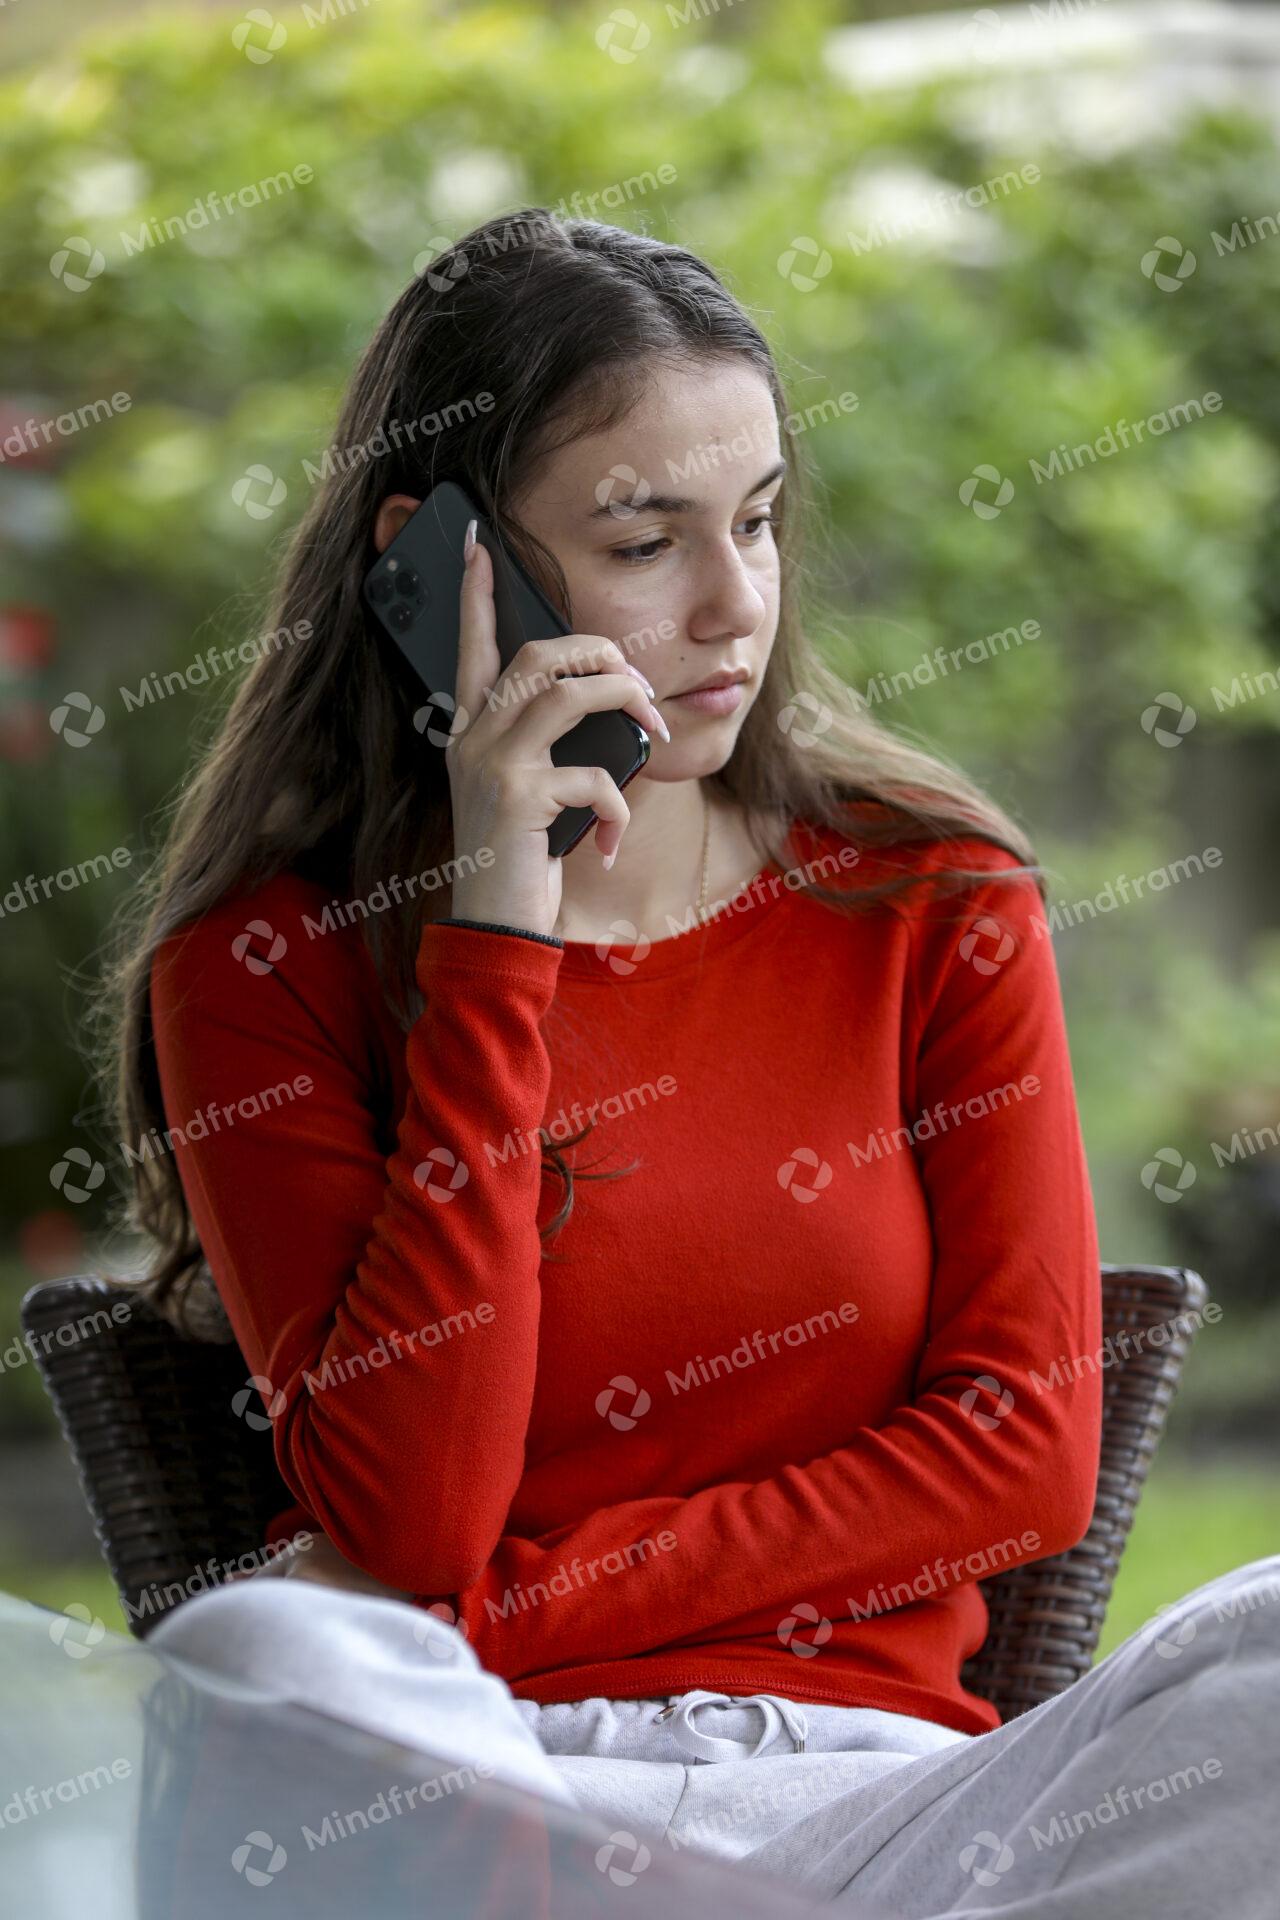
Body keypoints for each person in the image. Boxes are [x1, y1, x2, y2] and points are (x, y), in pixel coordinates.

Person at [80, 207, 1277, 1916]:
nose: (736, 606)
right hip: (499, 1800)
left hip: (889, 1813)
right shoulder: (266, 968)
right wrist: (497, 938)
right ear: (440, 563)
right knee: (270, 1647)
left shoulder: (931, 897)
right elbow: (411, 1523)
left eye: (760, 522)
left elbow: (1023, 1454)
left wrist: (508, 1605)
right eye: (647, 541)